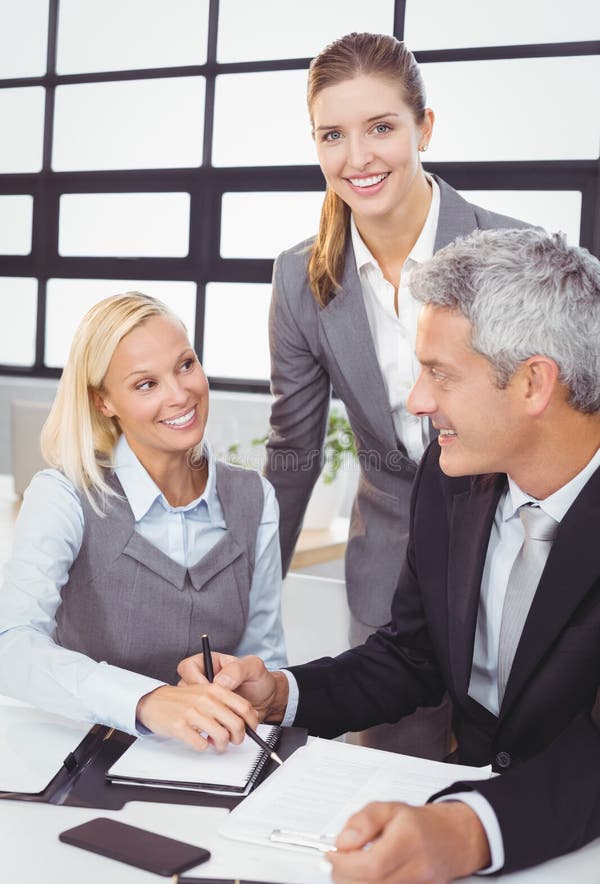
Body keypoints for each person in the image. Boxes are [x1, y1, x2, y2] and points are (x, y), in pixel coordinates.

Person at [179, 228, 600, 884]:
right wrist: (282, 693)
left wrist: (465, 830)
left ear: (533, 383)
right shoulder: (450, 474)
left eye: (440, 374)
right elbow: (412, 655)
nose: (417, 402)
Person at [265, 31, 529, 758]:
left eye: (380, 127)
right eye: (333, 135)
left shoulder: (516, 253)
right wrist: (253, 594)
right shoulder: (300, 280)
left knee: (519, 775)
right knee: (386, 774)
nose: (358, 158)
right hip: (387, 569)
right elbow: (293, 450)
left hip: (512, 552)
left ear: (425, 128)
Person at [0, 291, 285, 751]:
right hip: (83, 754)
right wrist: (147, 701)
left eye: (185, 365)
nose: (180, 394)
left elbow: (264, 656)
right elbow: (11, 644)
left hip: (213, 760)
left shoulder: (255, 498)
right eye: (146, 384)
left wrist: (247, 687)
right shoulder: (64, 496)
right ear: (103, 402)